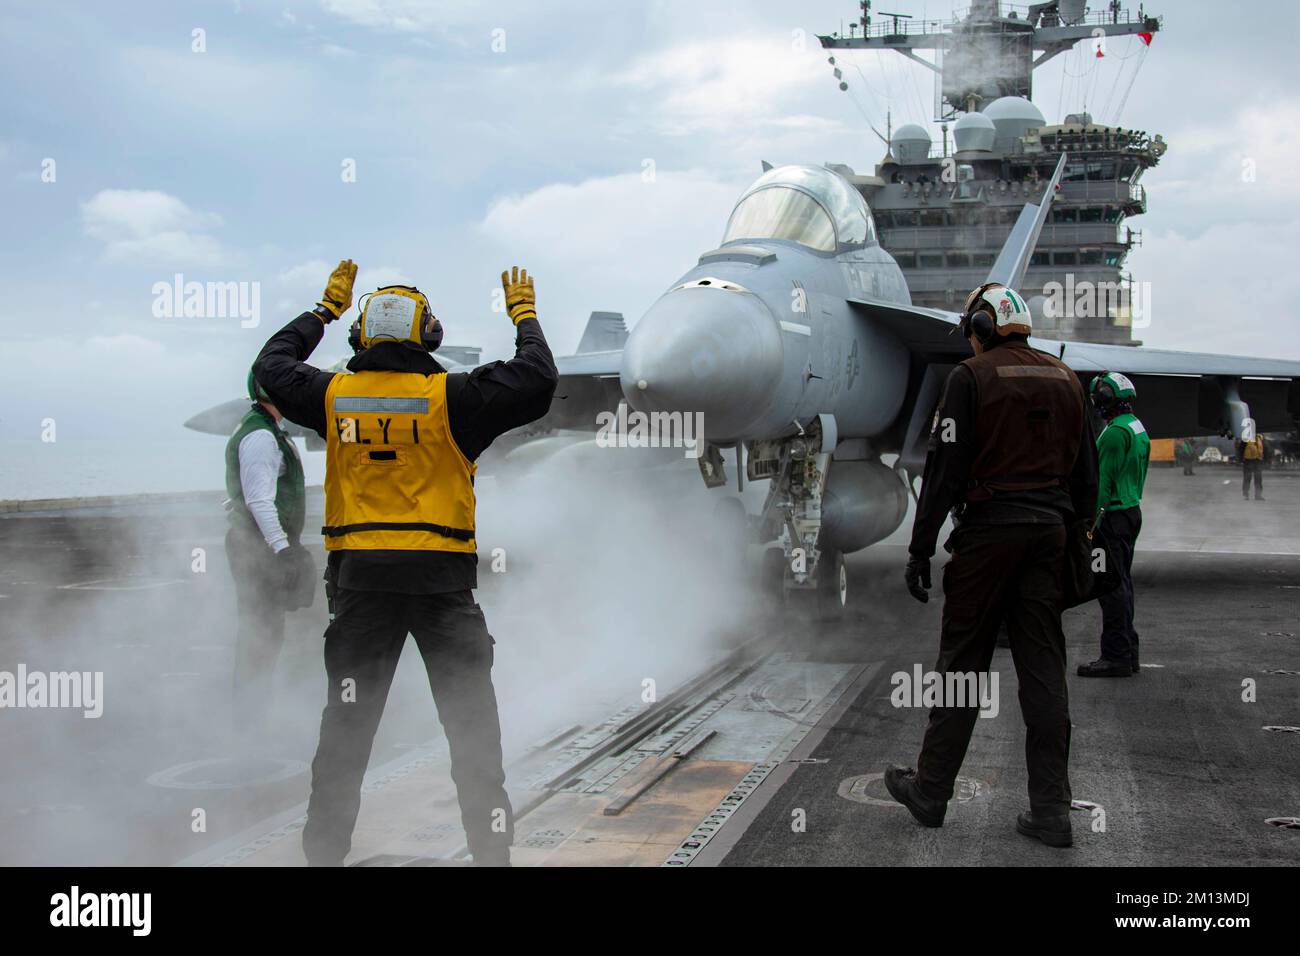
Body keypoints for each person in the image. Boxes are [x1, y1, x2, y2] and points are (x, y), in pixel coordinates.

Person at [253, 260, 557, 867]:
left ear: (361, 338)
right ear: (431, 337)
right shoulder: (455, 398)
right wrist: (523, 315)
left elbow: (271, 368)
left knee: (344, 737)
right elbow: (538, 379)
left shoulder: (332, 397)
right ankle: (492, 858)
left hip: (361, 589)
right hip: (442, 590)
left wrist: (323, 309)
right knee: (474, 739)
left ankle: (323, 858)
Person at [889, 283, 1097, 848]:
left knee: (961, 666)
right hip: (1047, 538)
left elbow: (944, 473)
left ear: (981, 329)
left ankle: (931, 792)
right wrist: (1074, 537)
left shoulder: (969, 379)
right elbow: (1086, 478)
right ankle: (1052, 811)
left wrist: (919, 547)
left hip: (987, 539)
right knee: (1043, 671)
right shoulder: (1067, 378)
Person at [223, 369, 313, 741]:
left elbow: (248, 492)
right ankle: (248, 721)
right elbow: (260, 499)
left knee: (264, 630)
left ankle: (251, 715)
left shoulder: (263, 428)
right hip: (258, 548)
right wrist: (283, 549)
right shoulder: (260, 435)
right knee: (261, 632)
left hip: (253, 543)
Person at [1077, 372, 1149, 678]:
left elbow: (1100, 485)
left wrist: (1089, 525)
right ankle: (1128, 652)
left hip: (1111, 518)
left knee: (1109, 587)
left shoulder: (1113, 434)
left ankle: (1115, 656)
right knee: (1124, 583)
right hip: (1131, 512)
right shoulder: (1137, 427)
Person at [1240, 433, 1265, 500]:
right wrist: (1240, 460)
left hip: (1258, 461)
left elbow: (1263, 449)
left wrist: (1265, 460)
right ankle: (1245, 495)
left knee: (1258, 479)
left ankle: (1258, 495)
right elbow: (1241, 448)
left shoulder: (1260, 438)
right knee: (1247, 478)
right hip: (1248, 460)